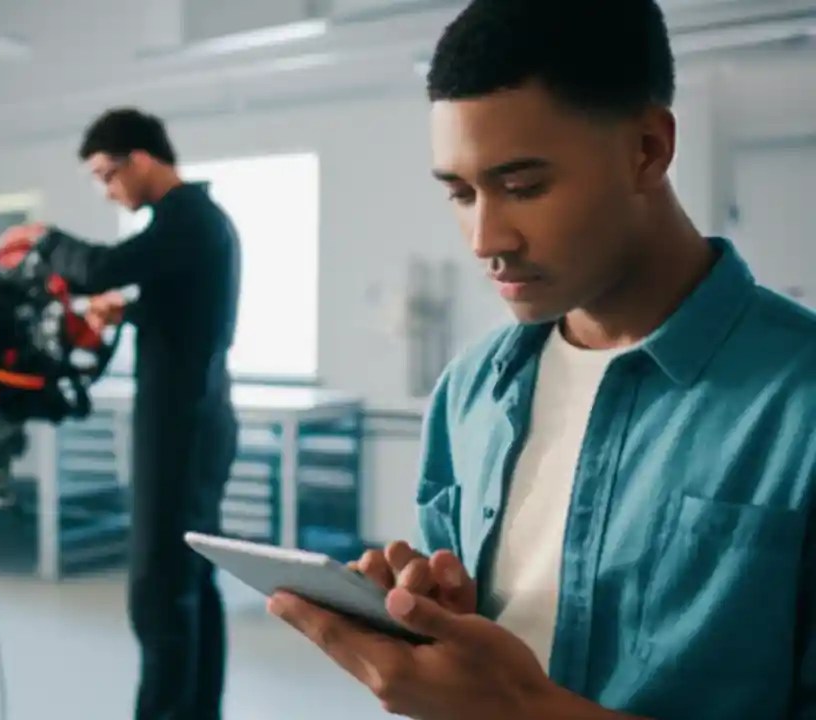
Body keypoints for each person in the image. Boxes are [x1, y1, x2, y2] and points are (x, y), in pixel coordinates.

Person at [267, 1, 816, 718]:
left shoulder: (798, 401)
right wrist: (439, 622)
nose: (485, 238)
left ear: (647, 149)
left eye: (523, 187)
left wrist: (523, 709)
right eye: (461, 193)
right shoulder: (468, 391)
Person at [0, 108, 241, 720]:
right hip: (201, 416)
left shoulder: (186, 219)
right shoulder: (198, 224)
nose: (108, 189)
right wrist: (127, 314)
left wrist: (44, 239)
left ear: (142, 159)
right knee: (192, 584)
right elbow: (184, 308)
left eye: (108, 175)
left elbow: (102, 267)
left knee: (158, 592)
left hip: (179, 427)